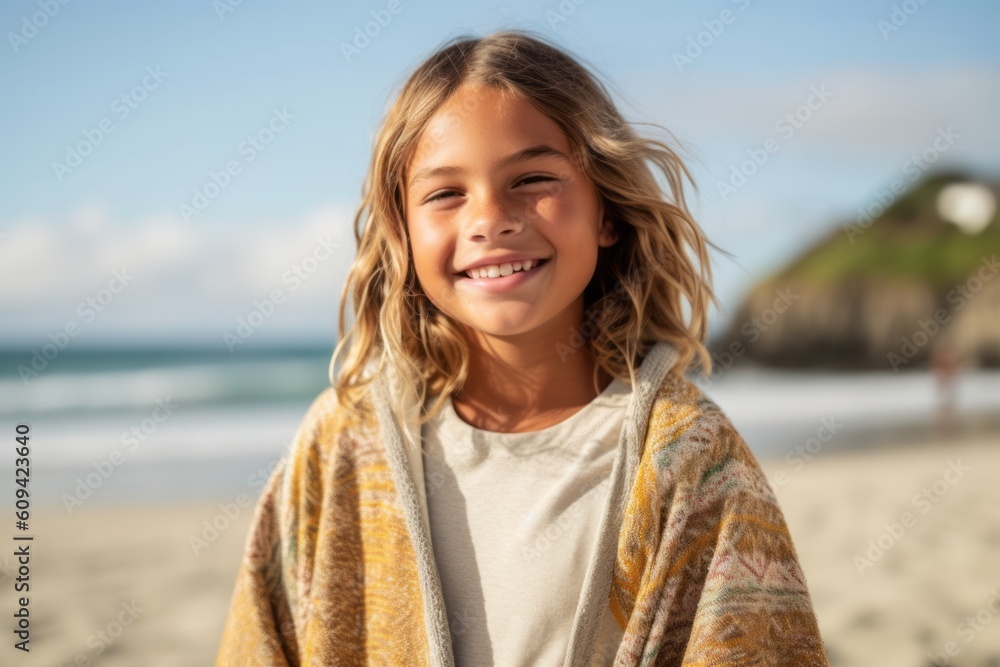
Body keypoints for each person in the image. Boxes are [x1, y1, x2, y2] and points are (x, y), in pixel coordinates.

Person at [215, 30, 829, 666]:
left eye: (532, 177)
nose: (490, 219)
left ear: (608, 210)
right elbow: (259, 643)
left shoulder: (688, 455)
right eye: (445, 193)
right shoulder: (340, 444)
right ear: (403, 230)